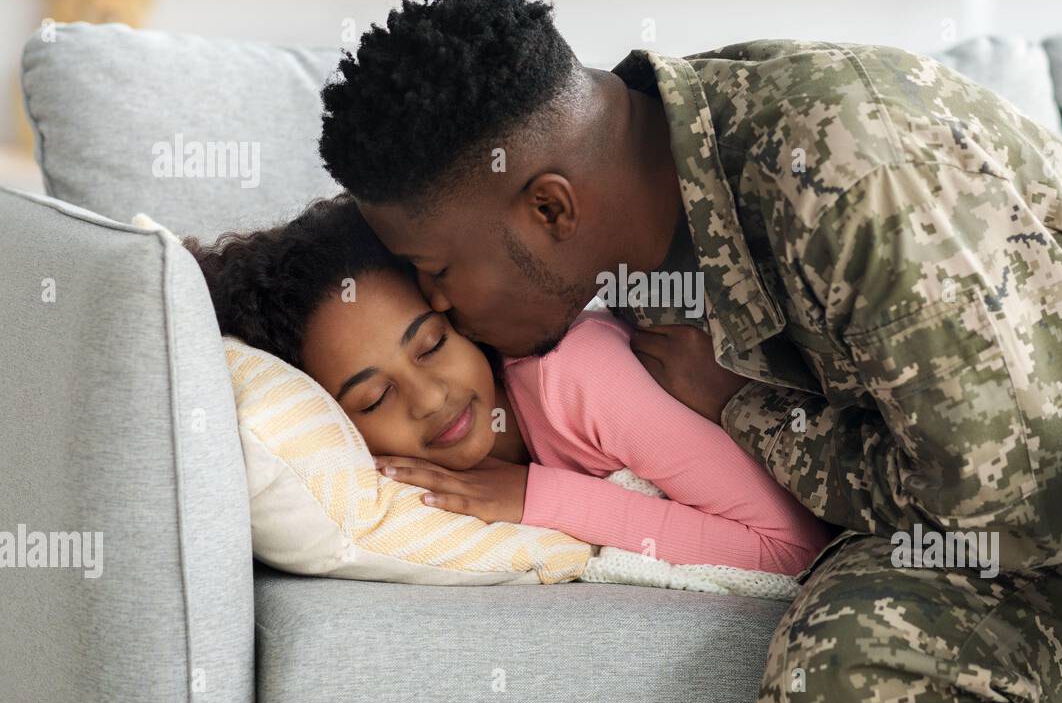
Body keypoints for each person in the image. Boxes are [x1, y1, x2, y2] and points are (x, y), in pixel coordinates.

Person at [317, 0, 1062, 703]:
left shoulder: (840, 162)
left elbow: (1011, 510)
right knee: (845, 674)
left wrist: (749, 409)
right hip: (1057, 547)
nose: (436, 301)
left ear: (546, 207)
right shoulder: (629, 243)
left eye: (434, 269)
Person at [184, 195, 835, 576]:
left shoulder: (577, 376)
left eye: (432, 344)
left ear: (462, 320)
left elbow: (792, 548)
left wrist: (536, 495)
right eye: (374, 398)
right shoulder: (399, 478)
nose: (431, 398)